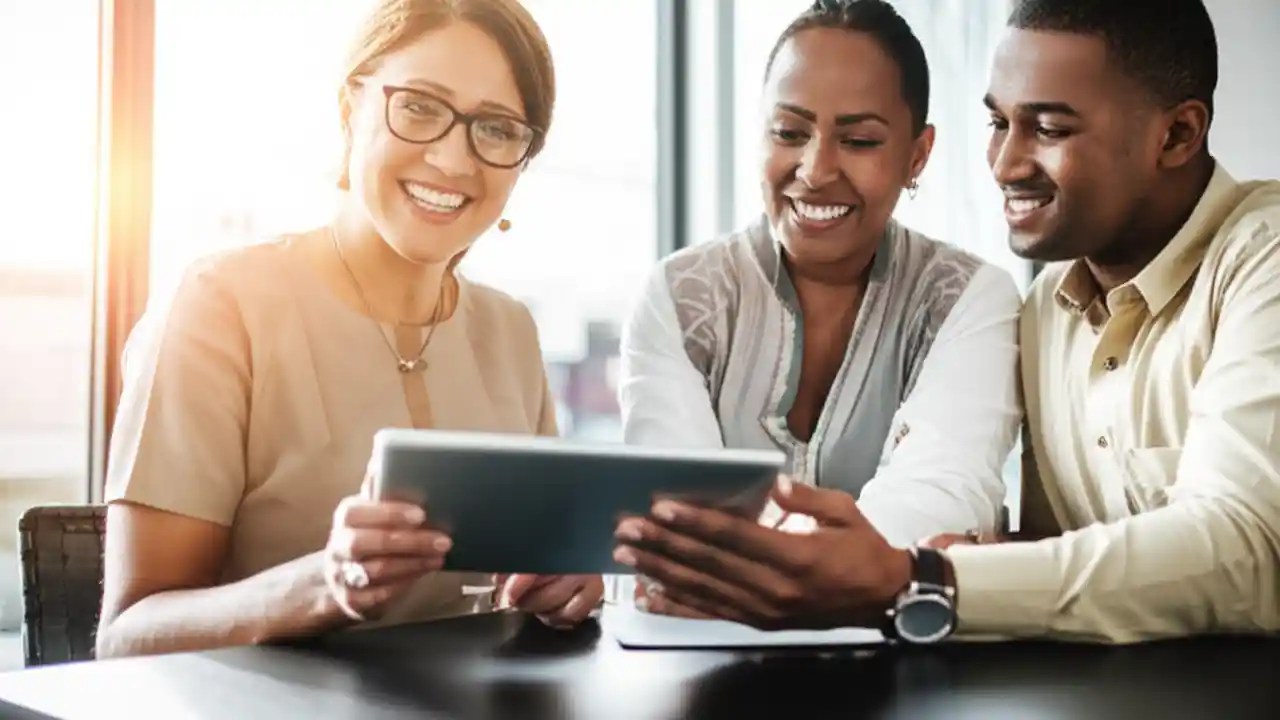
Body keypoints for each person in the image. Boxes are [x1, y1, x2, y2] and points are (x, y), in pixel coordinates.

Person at [613, 0, 1280, 644]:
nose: (1004, 164)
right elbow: (1066, 557)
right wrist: (985, 558)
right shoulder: (1049, 309)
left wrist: (925, 574)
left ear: (1178, 134)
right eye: (999, 124)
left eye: (1048, 129)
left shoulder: (1263, 259)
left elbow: (1245, 549)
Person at [96, 0, 602, 659]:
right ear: (348, 112)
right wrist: (321, 587)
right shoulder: (220, 304)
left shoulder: (510, 332)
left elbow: (520, 591)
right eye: (419, 107)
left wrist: (559, 591)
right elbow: (127, 635)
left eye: (497, 128)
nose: (453, 159)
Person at [618, 0, 1021, 607]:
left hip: (907, 669)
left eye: (858, 140)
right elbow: (677, 526)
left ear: (917, 155)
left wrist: (743, 569)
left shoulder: (970, 297)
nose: (815, 169)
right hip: (702, 663)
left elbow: (944, 497)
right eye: (789, 133)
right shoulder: (680, 296)